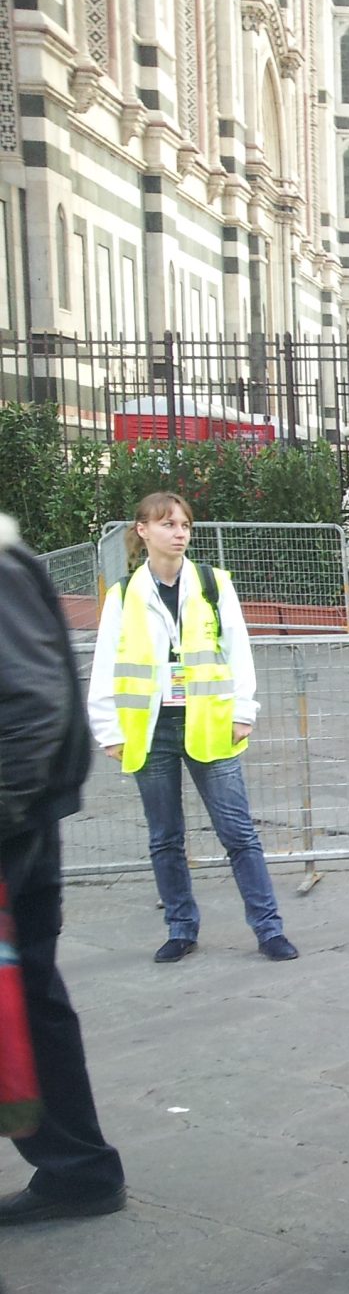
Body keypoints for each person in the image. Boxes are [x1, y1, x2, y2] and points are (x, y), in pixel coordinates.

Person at [85, 493, 298, 963]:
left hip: (210, 721)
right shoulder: (124, 594)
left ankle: (268, 929)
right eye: (168, 524)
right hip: (150, 726)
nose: (180, 533)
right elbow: (105, 664)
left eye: (184, 525)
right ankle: (180, 927)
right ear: (143, 531)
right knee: (165, 836)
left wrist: (244, 711)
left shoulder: (211, 583)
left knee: (239, 831)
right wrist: (108, 729)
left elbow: (238, 650)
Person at [0, 512, 125, 1227]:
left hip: (13, 827)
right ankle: (76, 1165)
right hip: (22, 817)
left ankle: (77, 1165)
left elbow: (30, 706)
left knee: (29, 998)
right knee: (30, 997)